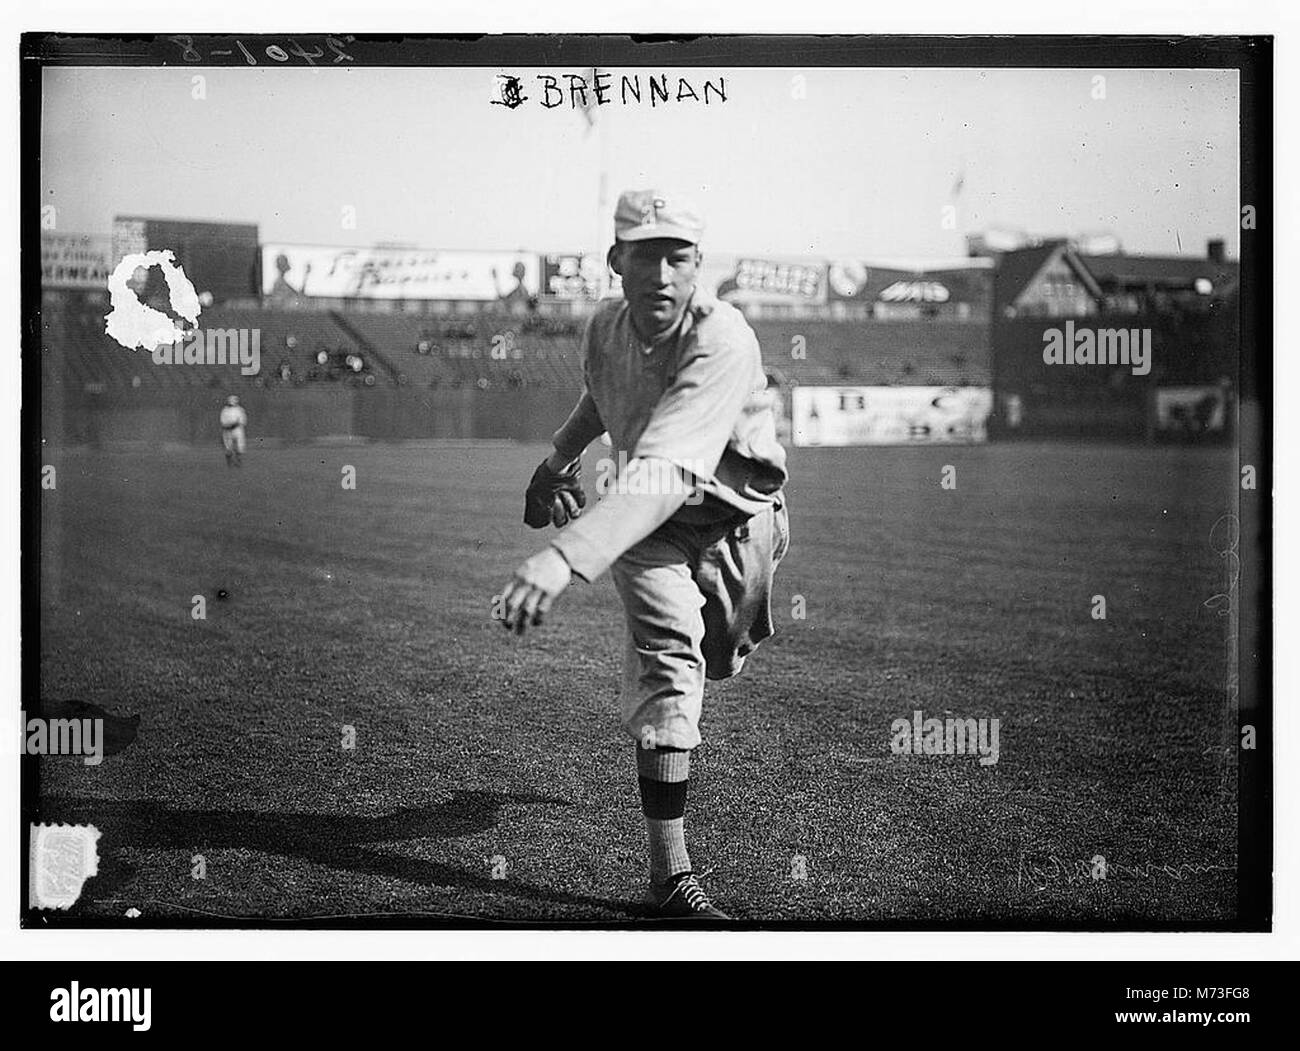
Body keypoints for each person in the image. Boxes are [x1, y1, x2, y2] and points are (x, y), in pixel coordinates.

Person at [496, 190, 789, 920]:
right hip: (645, 526)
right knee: (670, 664)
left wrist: (564, 557)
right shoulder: (605, 326)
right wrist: (556, 462)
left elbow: (671, 470)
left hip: (736, 518)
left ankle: (707, 656)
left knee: (720, 654)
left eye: (677, 256)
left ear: (698, 267)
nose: (660, 273)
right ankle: (670, 875)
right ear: (615, 262)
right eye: (644, 254)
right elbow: (604, 397)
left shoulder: (724, 339)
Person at [219, 394, 247, 467]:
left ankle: (239, 461)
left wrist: (236, 424)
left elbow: (243, 420)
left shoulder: (240, 410)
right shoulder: (225, 410)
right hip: (227, 430)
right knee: (228, 447)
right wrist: (228, 425)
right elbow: (222, 421)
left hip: (237, 430)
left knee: (240, 446)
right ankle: (230, 463)